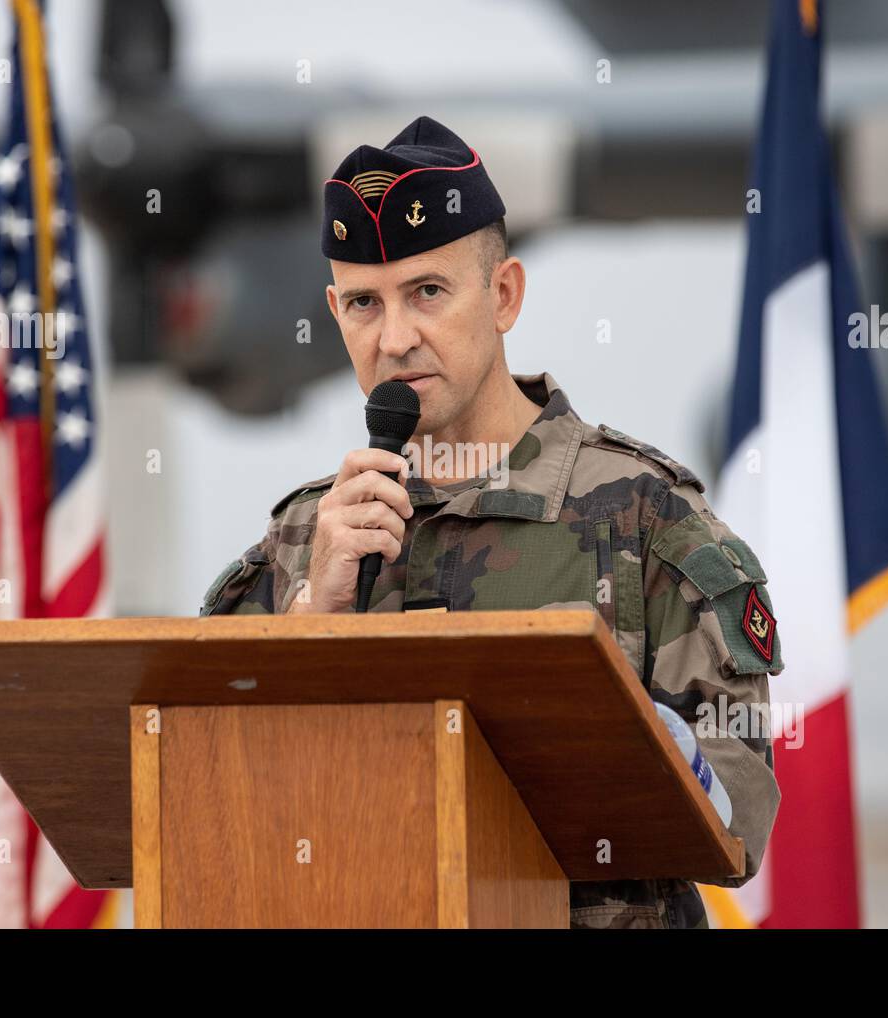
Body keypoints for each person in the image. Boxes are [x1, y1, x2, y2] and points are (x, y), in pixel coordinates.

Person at [201, 115, 783, 929]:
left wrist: (621, 733)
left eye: (428, 293)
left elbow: (741, 815)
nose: (395, 338)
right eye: (364, 303)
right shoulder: (307, 537)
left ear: (503, 294)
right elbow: (204, 786)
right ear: (334, 313)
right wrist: (312, 623)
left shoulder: (650, 516)